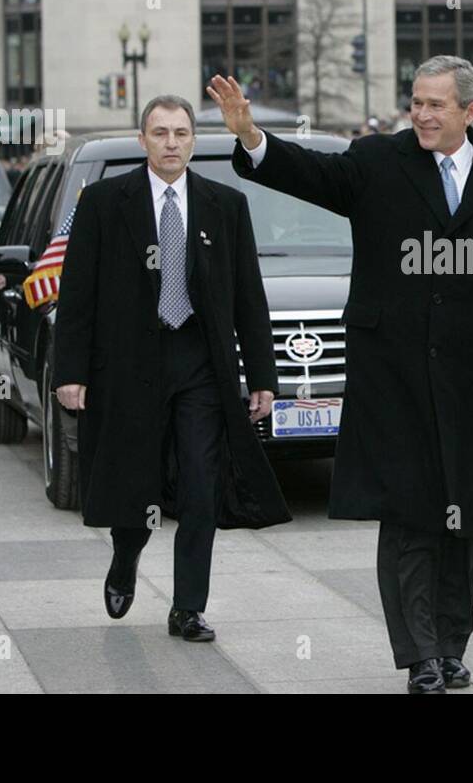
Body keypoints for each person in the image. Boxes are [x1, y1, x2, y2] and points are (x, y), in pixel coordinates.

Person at [213, 55, 473, 694]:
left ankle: (452, 643)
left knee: (461, 512)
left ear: (470, 111)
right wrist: (251, 139)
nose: (423, 114)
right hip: (393, 368)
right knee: (408, 512)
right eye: (416, 101)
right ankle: (421, 654)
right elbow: (312, 175)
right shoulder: (377, 161)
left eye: (437, 104)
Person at [53, 95, 290, 643]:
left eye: (181, 133)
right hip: (128, 365)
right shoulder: (105, 202)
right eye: (159, 133)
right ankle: (125, 554)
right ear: (143, 141)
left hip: (199, 363)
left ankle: (188, 607)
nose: (171, 143)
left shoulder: (225, 205)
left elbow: (248, 298)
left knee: (202, 486)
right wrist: (71, 371)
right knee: (133, 481)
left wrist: (262, 378)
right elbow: (79, 293)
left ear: (193, 140)